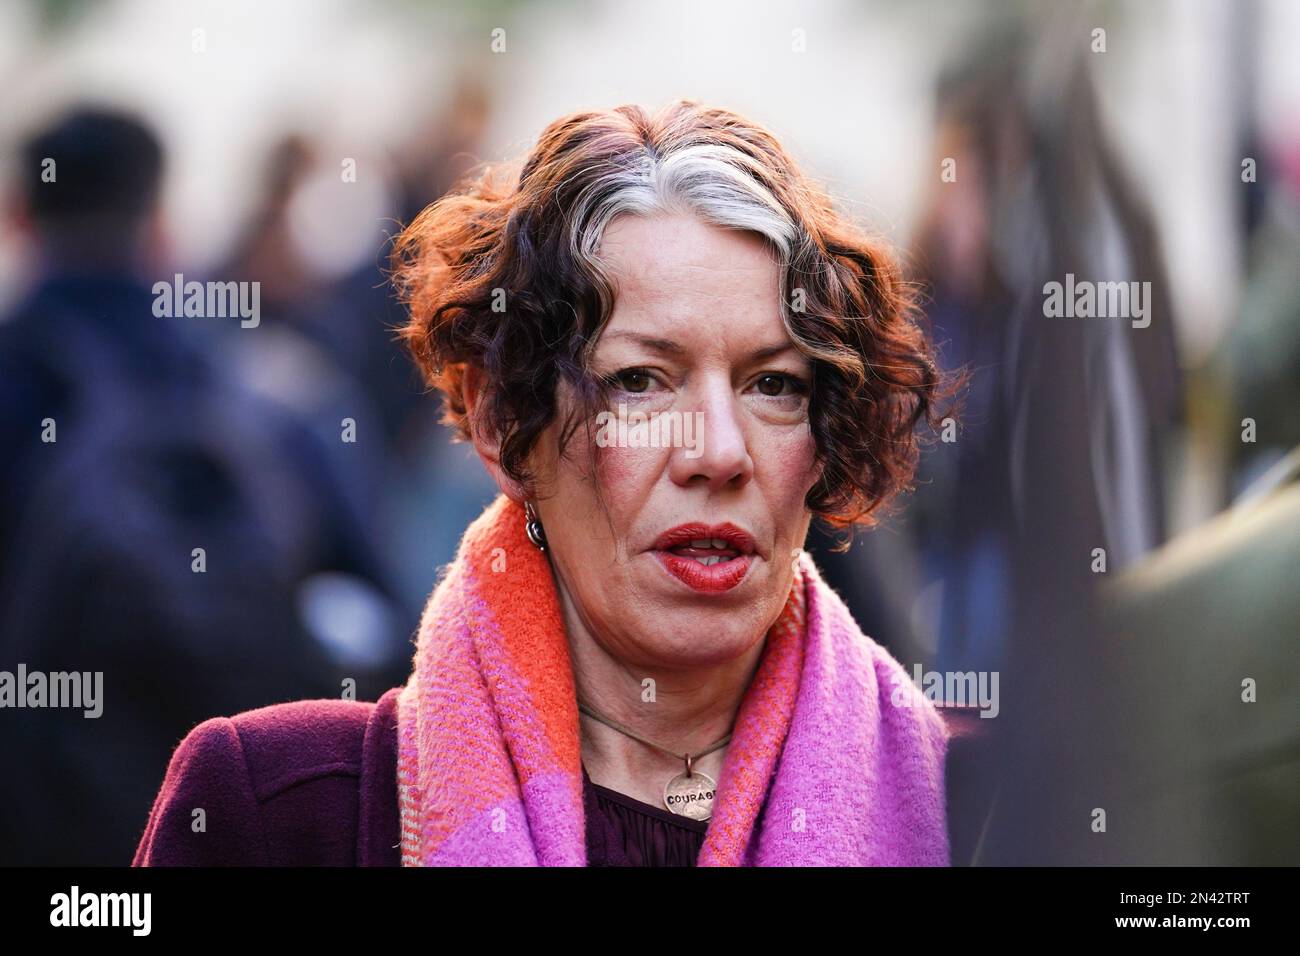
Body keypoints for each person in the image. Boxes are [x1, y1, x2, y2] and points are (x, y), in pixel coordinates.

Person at [133, 100, 965, 867]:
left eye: (774, 385)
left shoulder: (986, 817)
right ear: (502, 422)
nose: (718, 451)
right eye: (640, 380)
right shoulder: (281, 813)